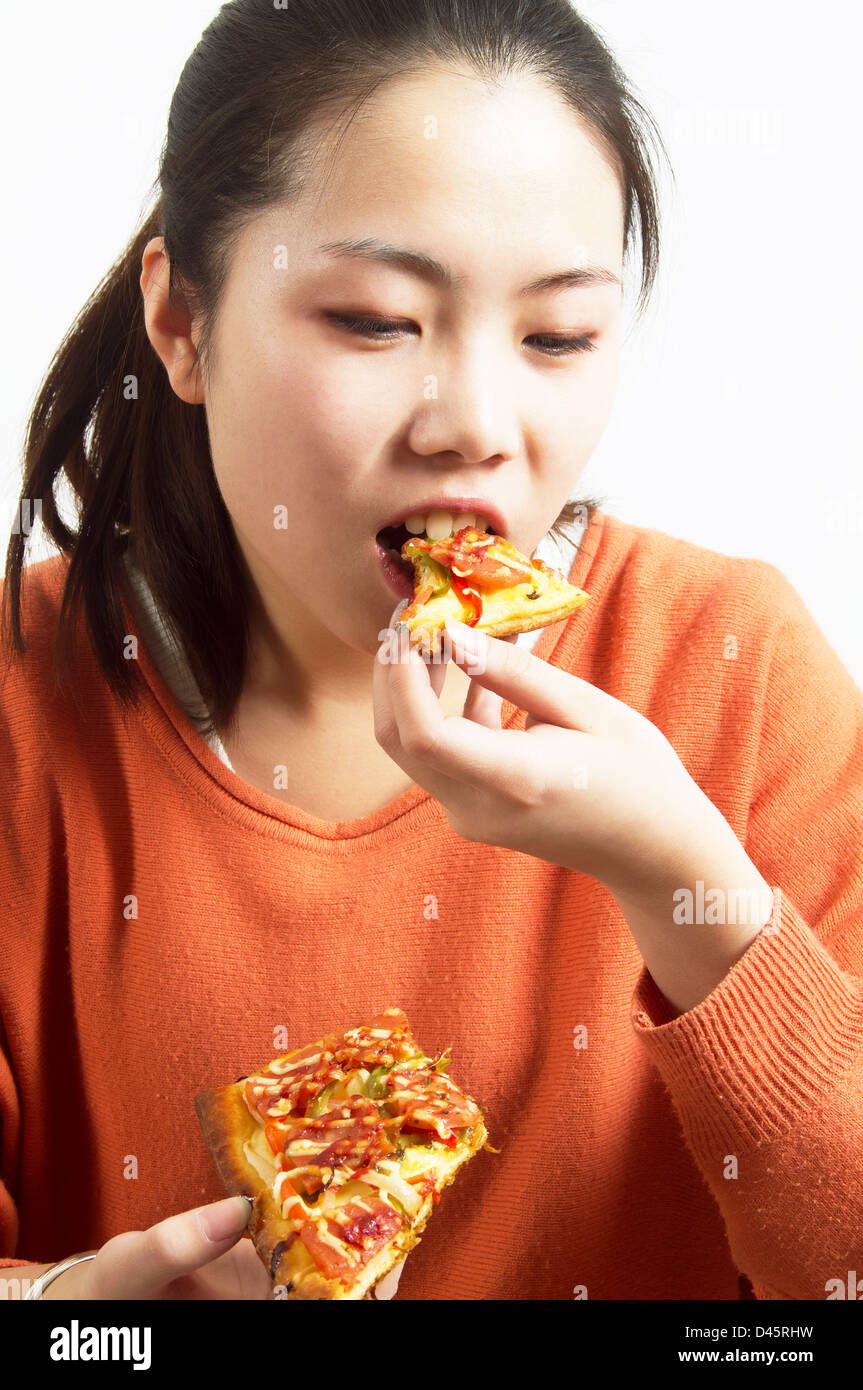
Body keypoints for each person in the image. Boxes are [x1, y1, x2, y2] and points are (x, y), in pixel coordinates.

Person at [2, 0, 861, 1302]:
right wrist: (75, 1319)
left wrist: (683, 880)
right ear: (181, 324)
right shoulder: (24, 702)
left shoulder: (735, 670)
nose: (476, 424)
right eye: (377, 320)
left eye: (557, 337)